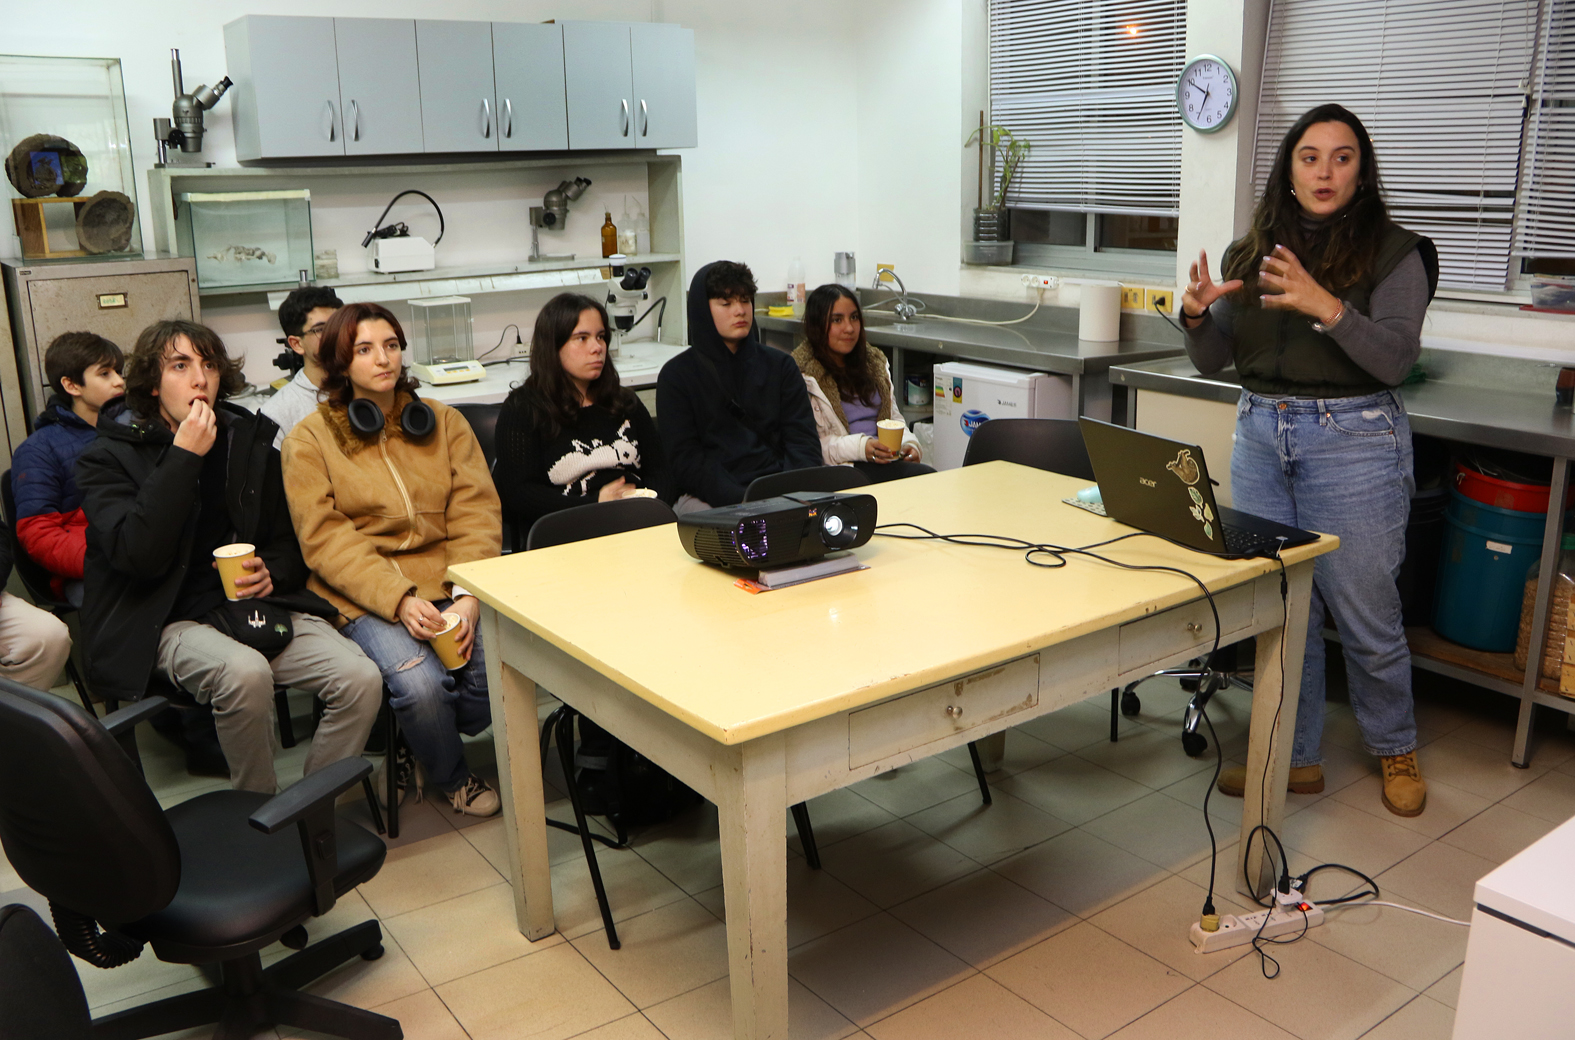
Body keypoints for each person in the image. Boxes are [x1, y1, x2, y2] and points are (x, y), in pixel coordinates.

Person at [1181, 103, 1438, 818]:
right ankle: (1294, 757)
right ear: (1287, 170)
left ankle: (1395, 746)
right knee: (1282, 606)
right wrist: (1198, 316)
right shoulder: (1253, 250)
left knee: (1363, 609)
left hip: (1352, 439)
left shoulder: (1397, 252)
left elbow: (1393, 358)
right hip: (1263, 434)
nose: (1324, 170)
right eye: (1309, 156)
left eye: (1342, 156)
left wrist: (1325, 304)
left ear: (1361, 171)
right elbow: (1212, 360)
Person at [76, 320, 383, 795]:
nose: (200, 379)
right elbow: (136, 556)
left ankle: (311, 807)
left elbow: (288, 540)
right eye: (181, 366)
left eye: (210, 365)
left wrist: (272, 572)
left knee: (361, 677)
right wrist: (183, 458)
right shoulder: (106, 456)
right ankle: (258, 815)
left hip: (246, 606)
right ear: (153, 385)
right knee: (246, 673)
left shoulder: (245, 437)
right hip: (162, 616)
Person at [282, 302, 503, 817]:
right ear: (339, 362)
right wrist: (398, 599)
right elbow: (325, 540)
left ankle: (421, 738)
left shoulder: (445, 422)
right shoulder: (308, 440)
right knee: (421, 685)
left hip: (448, 579)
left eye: (391, 345)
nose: (383, 359)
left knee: (493, 676)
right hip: (362, 590)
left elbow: (476, 511)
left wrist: (468, 596)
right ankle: (450, 775)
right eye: (364, 349)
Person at [494, 292, 674, 534]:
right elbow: (518, 495)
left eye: (601, 337)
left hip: (635, 525)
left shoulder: (624, 401)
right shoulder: (524, 409)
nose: (597, 347)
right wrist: (595, 504)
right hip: (568, 531)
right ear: (553, 345)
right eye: (582, 338)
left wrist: (648, 505)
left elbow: (661, 472)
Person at [656, 261, 822, 510]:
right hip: (711, 496)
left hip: (781, 490)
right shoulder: (677, 376)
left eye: (745, 300)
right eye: (726, 303)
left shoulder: (781, 366)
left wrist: (791, 494)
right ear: (703, 309)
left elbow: (803, 441)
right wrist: (741, 500)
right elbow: (687, 461)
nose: (740, 311)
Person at [11, 332, 125, 605]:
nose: (120, 381)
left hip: (140, 554)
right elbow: (38, 533)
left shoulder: (133, 430)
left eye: (119, 372)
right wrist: (105, 559)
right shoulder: (39, 449)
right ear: (72, 385)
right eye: (105, 373)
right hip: (89, 570)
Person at [792, 283, 930, 483]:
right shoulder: (803, 374)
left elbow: (894, 419)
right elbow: (813, 447)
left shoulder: (874, 363)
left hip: (885, 461)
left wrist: (910, 444)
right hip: (845, 469)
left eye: (854, 317)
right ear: (817, 325)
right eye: (837, 320)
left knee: (928, 480)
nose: (849, 328)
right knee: (924, 479)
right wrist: (861, 448)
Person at [261, 286, 343, 449]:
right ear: (297, 344)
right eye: (321, 329)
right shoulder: (278, 414)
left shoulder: (367, 388)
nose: (336, 335)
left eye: (340, 325)